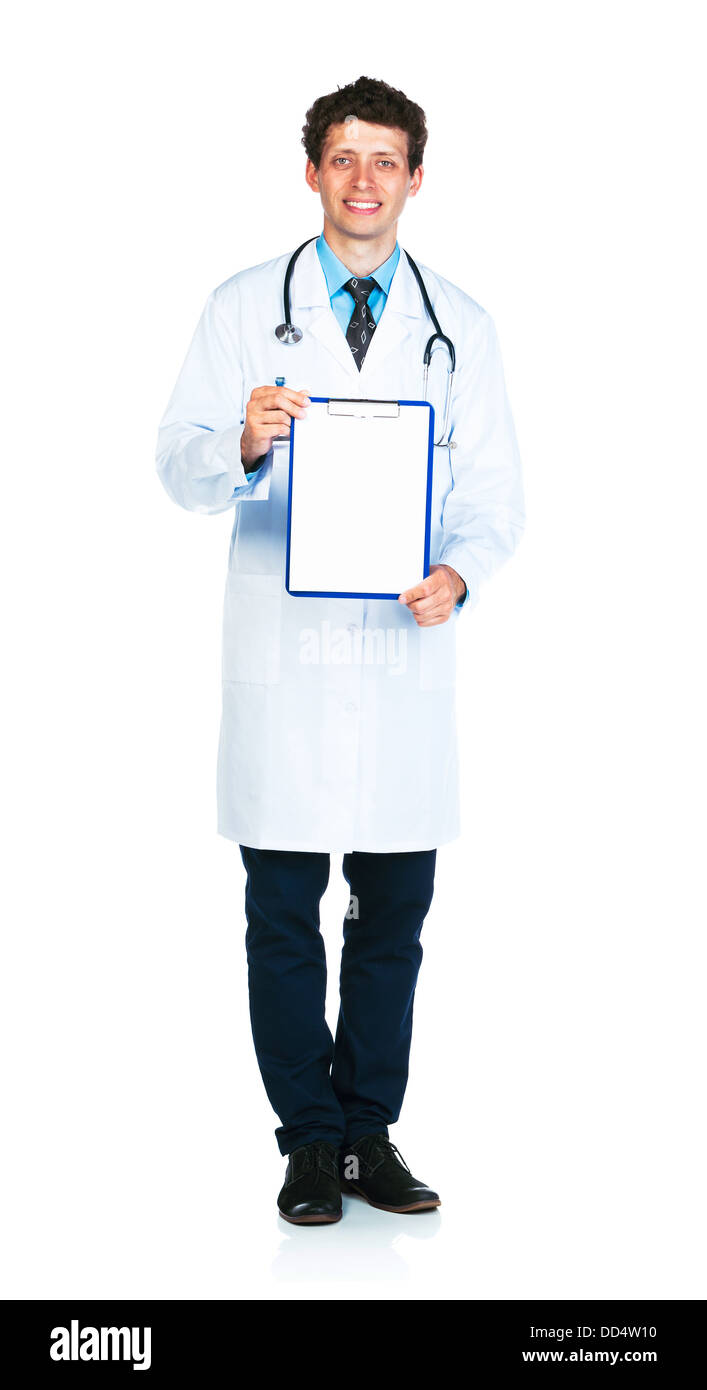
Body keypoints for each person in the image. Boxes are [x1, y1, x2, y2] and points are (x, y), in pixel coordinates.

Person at [155, 75, 524, 1225]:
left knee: (390, 921)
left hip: (401, 663)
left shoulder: (459, 325)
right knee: (281, 920)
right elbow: (175, 464)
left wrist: (456, 575)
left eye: (385, 159)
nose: (363, 179)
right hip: (287, 668)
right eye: (343, 157)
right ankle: (309, 1144)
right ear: (311, 170)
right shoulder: (239, 310)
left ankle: (368, 1133)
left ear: (415, 177)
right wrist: (239, 441)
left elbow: (493, 494)